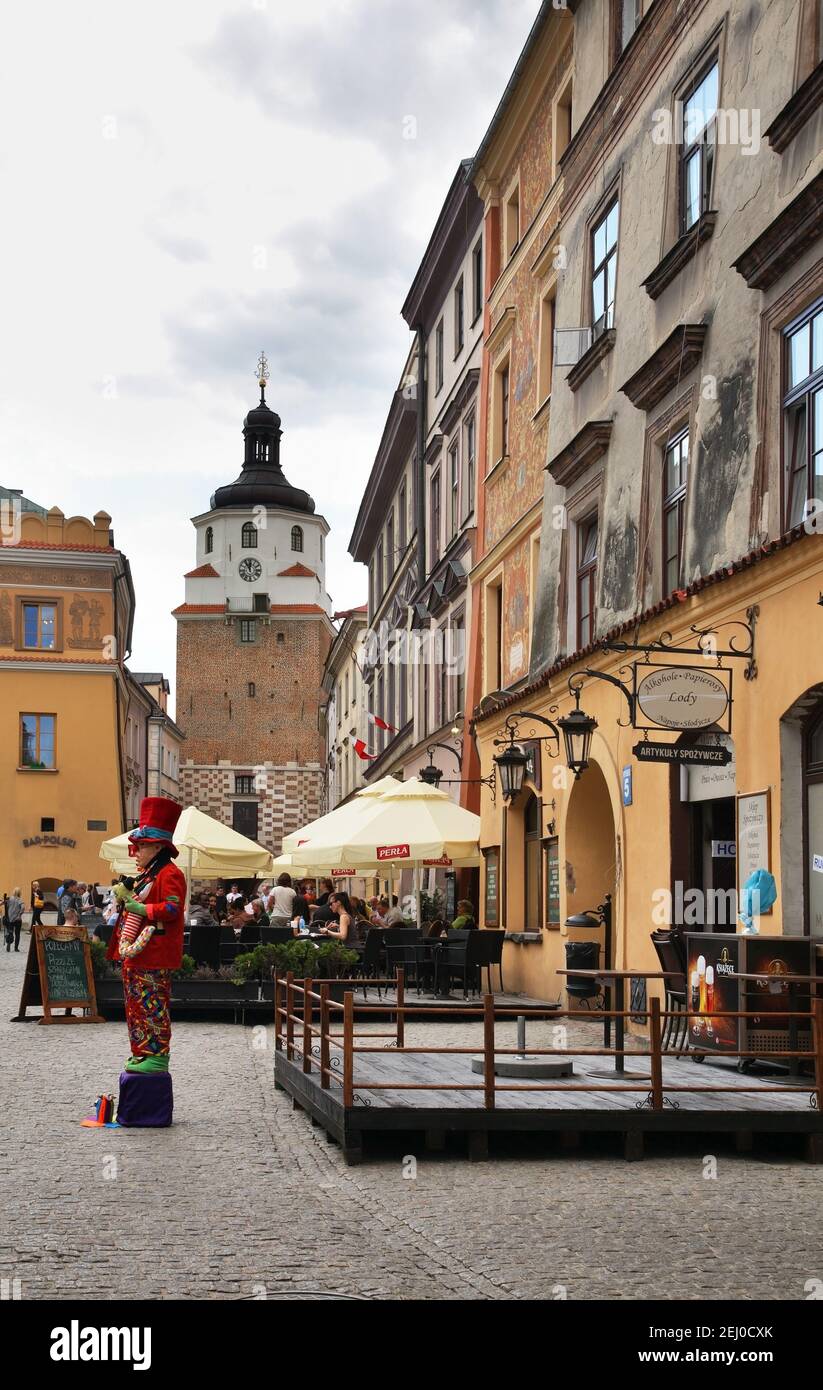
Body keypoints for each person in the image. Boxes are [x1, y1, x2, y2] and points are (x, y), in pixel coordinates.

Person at [106, 796, 187, 1075]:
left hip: (154, 954)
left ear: (157, 847)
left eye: (141, 846)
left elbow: (173, 908)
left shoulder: (170, 874)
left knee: (152, 1006)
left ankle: (157, 1054)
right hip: (139, 954)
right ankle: (141, 1052)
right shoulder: (148, 874)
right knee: (136, 1006)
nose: (136, 852)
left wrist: (142, 908)